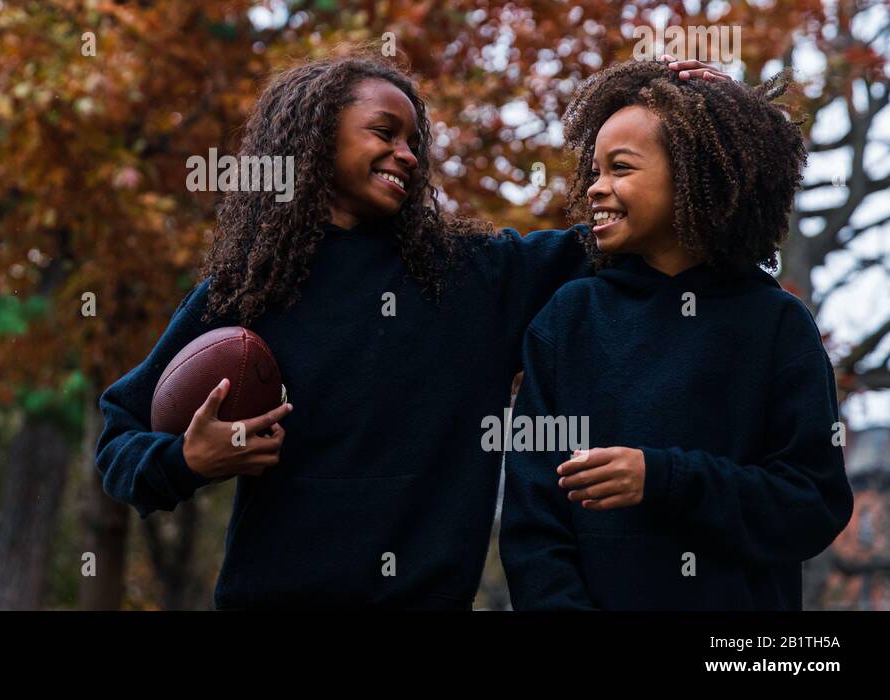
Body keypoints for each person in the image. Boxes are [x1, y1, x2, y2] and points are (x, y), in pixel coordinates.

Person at [96, 45, 722, 609]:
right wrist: (187, 457)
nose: (406, 153)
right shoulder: (249, 291)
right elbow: (119, 441)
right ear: (315, 137)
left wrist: (702, 122)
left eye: (414, 141)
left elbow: (627, 233)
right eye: (384, 132)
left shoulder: (474, 280)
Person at [499, 61, 854, 609]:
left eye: (620, 168)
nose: (596, 188)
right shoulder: (569, 318)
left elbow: (811, 505)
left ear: (694, 173)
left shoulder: (777, 326)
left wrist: (664, 479)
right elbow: (533, 520)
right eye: (593, 171)